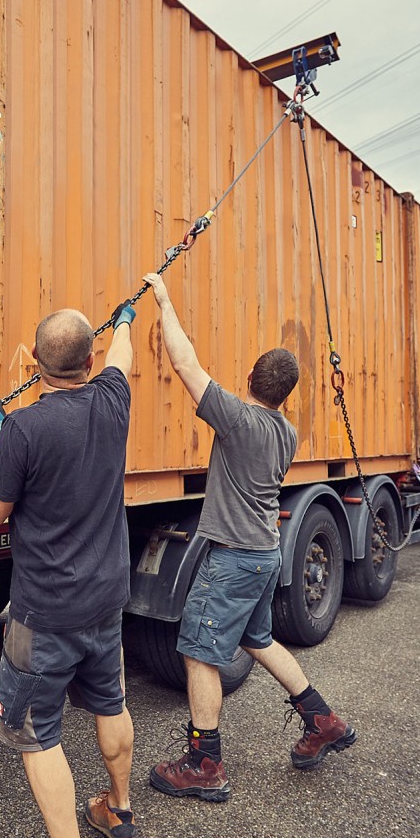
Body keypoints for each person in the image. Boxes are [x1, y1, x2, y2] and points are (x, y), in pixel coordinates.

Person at [137, 273, 356, 803]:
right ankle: (322, 720)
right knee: (258, 640)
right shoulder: (286, 430)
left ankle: (204, 764)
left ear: (250, 380)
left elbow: (185, 364)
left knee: (197, 652)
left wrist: (163, 299)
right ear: (284, 392)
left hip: (233, 560)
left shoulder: (237, 421)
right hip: (264, 553)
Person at [0, 304, 138, 838]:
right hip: (105, 601)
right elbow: (122, 355)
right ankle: (118, 810)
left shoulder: (24, 428)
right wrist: (124, 317)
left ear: (30, 363)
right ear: (89, 363)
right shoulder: (113, 401)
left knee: (38, 735)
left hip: (46, 615)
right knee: (110, 701)